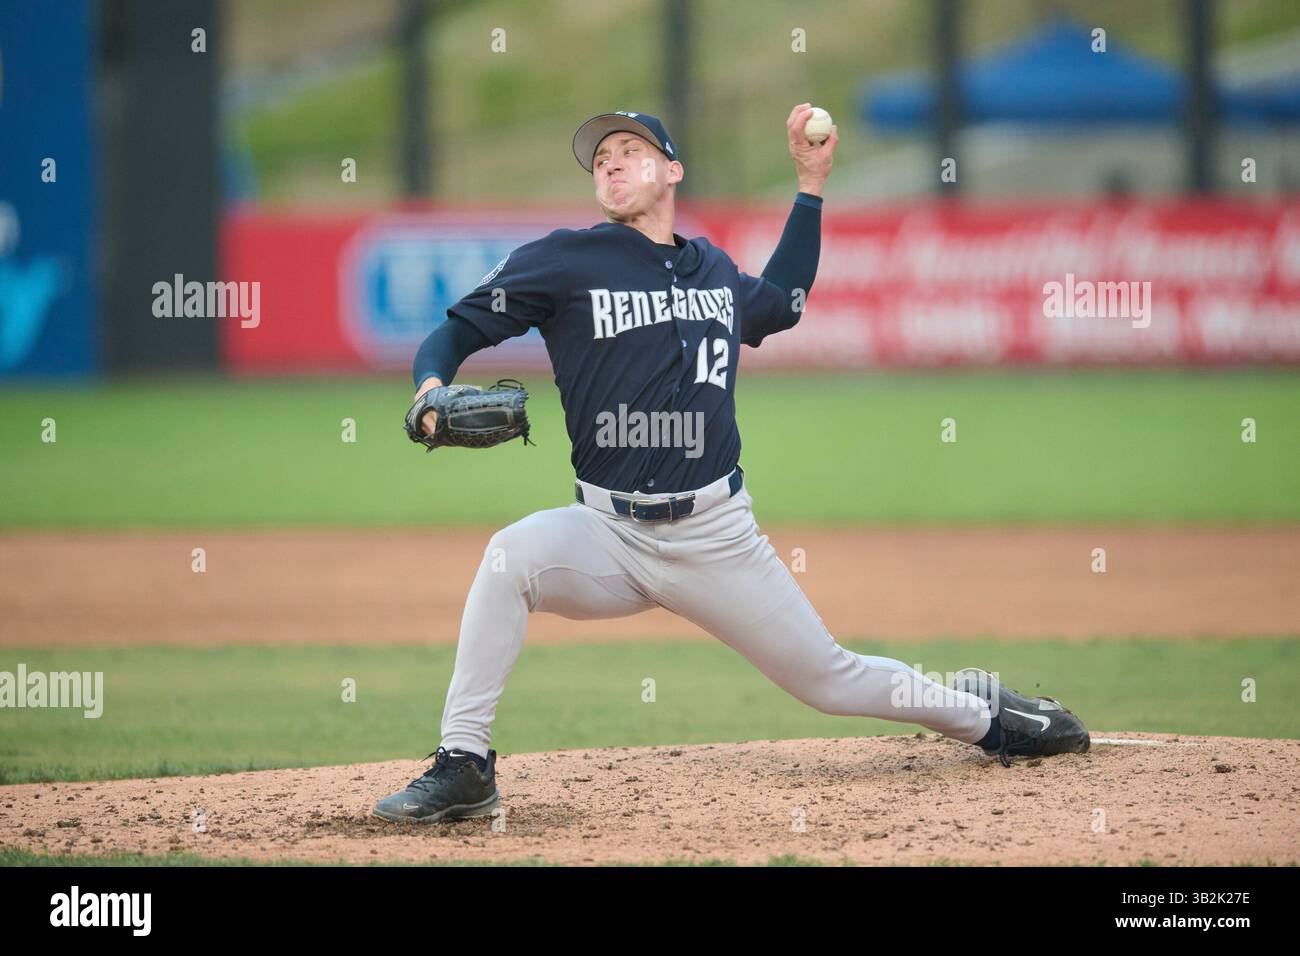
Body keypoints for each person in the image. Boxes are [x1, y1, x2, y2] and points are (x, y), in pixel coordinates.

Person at [373, 106, 1089, 824]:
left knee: (832, 681)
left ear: (673, 170)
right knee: (508, 560)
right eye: (600, 160)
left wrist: (811, 184)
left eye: (630, 150)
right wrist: (430, 390)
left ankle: (987, 716)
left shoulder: (710, 267)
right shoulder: (565, 259)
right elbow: (457, 330)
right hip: (607, 534)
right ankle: (464, 766)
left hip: (716, 537)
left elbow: (782, 305)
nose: (612, 164)